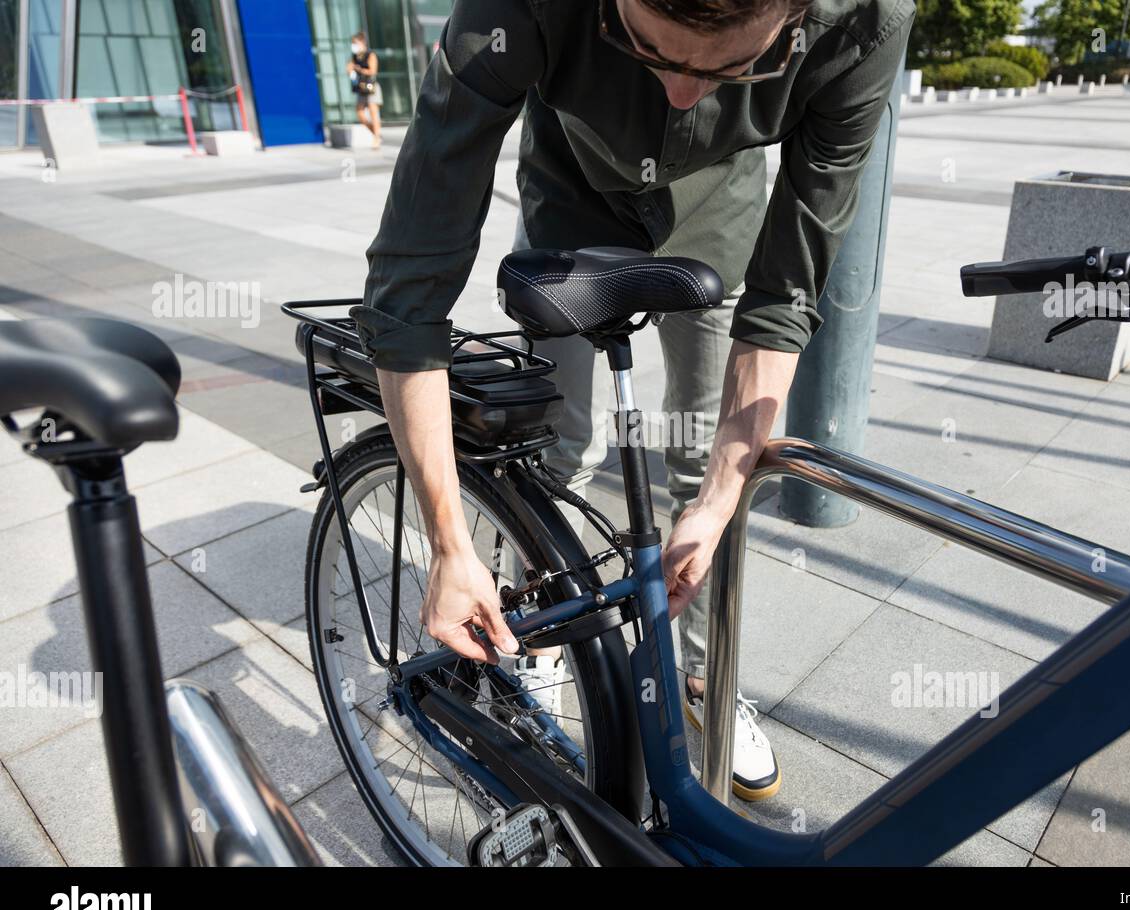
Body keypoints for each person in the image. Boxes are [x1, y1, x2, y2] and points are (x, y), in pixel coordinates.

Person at [353, 0, 913, 801]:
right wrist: (446, 539)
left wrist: (721, 498)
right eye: (645, 47)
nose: (683, 96)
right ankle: (542, 644)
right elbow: (412, 281)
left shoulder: (866, 21)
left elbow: (787, 287)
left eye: (729, 69)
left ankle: (700, 678)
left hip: (718, 227)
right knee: (557, 451)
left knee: (704, 468)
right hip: (569, 214)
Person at [347, 32, 383, 149]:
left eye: (355, 43)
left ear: (362, 43)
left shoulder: (370, 55)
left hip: (370, 86)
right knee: (360, 113)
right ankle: (376, 133)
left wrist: (359, 69)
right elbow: (349, 68)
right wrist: (350, 69)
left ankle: (376, 138)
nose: (354, 46)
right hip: (360, 88)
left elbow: (373, 71)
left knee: (373, 112)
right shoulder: (355, 57)